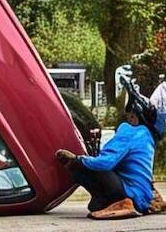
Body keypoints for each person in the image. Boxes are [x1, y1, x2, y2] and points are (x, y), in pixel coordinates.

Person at [55, 78, 159, 220]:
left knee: (75, 166)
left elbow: (105, 162)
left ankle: (120, 202)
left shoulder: (130, 131)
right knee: (94, 202)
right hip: (142, 197)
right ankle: (107, 202)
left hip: (129, 192)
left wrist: (79, 159)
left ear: (133, 115)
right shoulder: (146, 136)